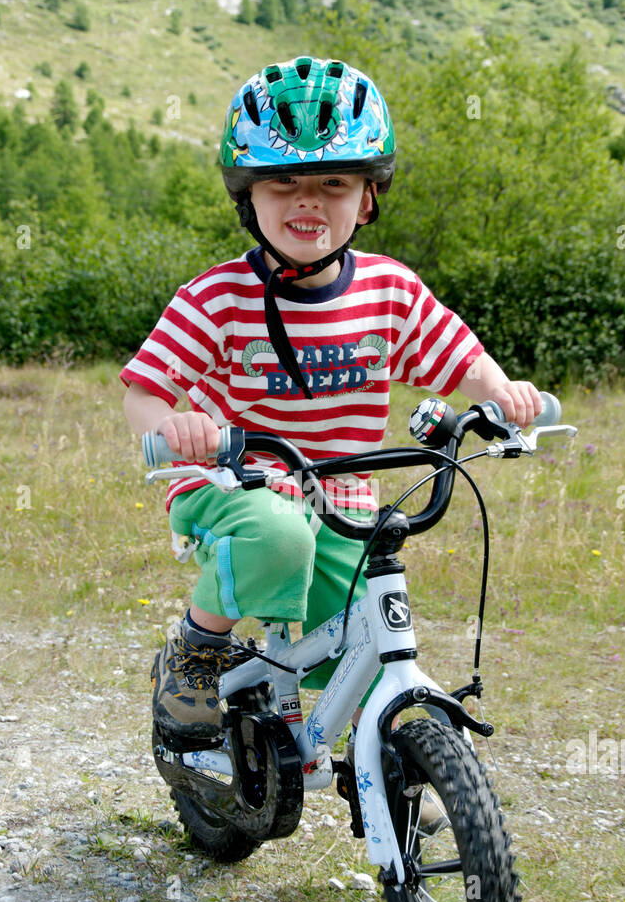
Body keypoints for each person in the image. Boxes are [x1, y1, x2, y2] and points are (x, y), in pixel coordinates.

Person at [121, 55, 540, 750]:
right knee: (281, 534)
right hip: (234, 481)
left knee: (367, 626)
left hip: (340, 493)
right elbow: (146, 388)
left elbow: (456, 356)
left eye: (333, 183)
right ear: (246, 197)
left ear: (367, 198)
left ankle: (402, 764)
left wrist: (498, 394)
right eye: (282, 181)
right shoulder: (216, 297)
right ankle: (194, 652)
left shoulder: (388, 290)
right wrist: (174, 427)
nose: (306, 201)